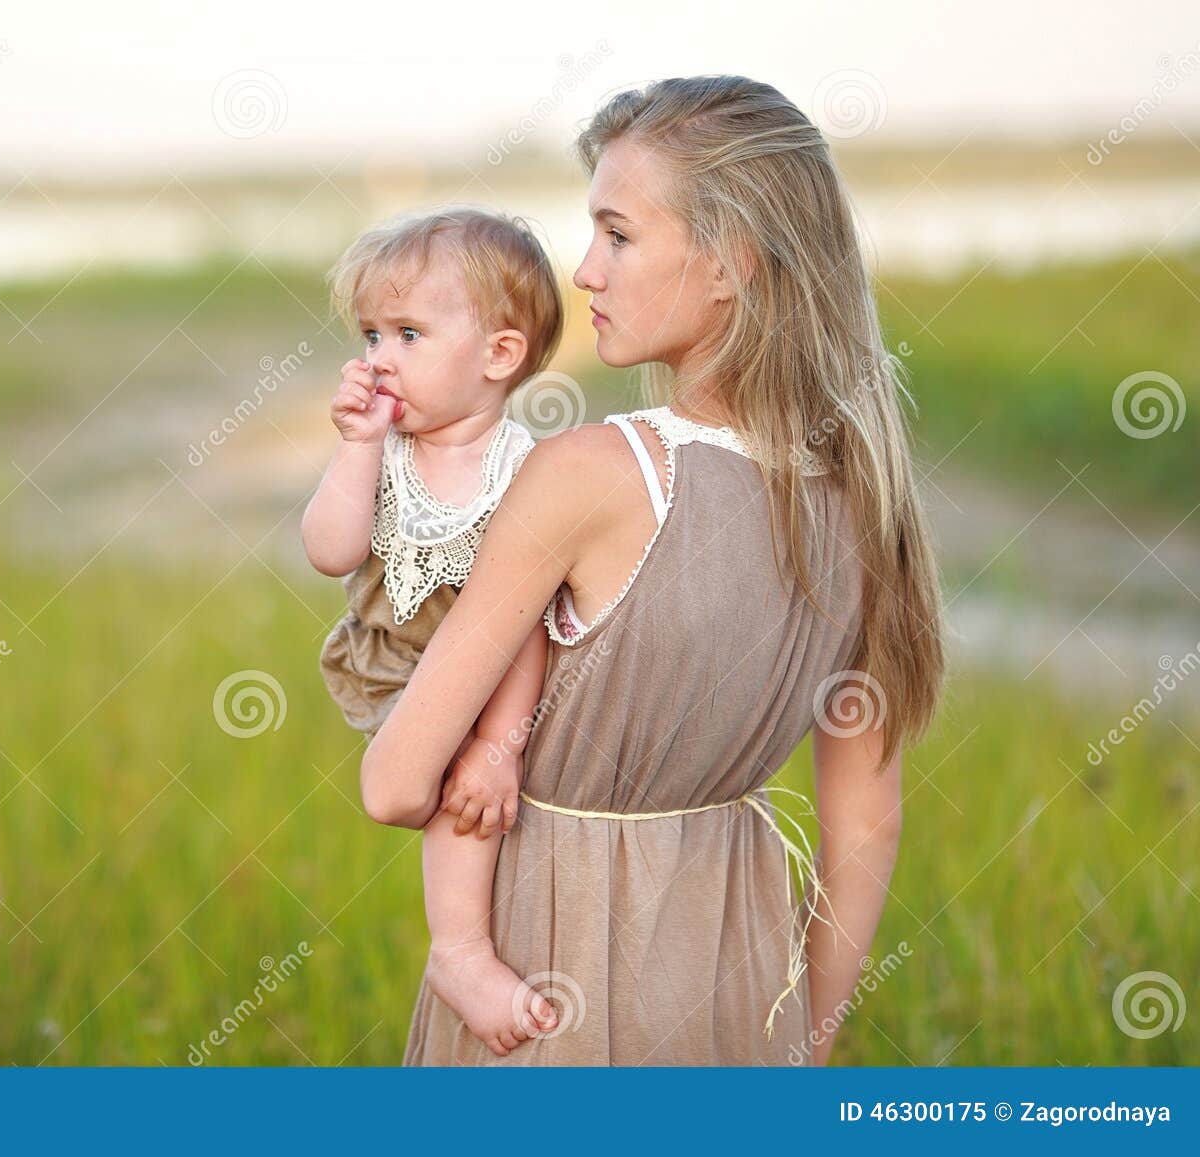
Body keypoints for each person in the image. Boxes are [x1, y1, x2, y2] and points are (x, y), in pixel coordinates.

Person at [361, 76, 947, 1065]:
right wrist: (799, 1042)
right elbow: (864, 827)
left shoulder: (590, 475)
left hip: (537, 1000)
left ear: (731, 261)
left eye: (618, 235)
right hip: (741, 1000)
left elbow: (394, 782)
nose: (584, 270)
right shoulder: (865, 498)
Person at [303, 207, 567, 1055]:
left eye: (409, 334)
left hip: (501, 681)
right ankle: (460, 946)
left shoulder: (527, 469)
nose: (378, 358)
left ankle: (462, 948)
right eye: (371, 334)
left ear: (499, 354)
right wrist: (356, 446)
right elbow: (329, 549)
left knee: (470, 784)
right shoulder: (385, 453)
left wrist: (498, 742)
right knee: (433, 790)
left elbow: (526, 627)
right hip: (396, 666)